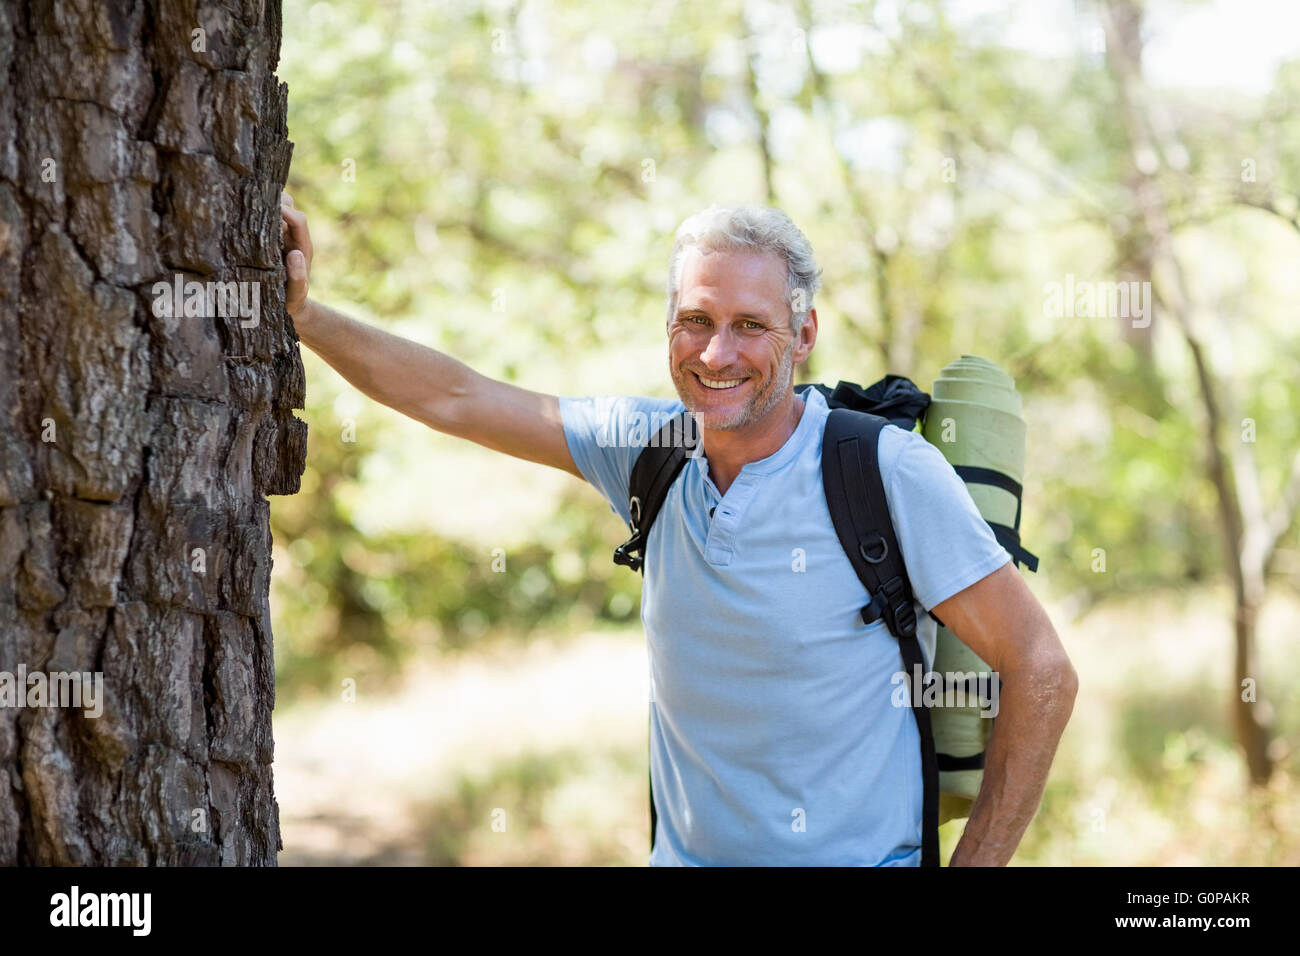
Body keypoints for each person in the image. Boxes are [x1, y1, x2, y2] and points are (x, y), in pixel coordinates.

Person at [280, 194, 1078, 866]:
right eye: (695, 319)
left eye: (749, 326)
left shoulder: (884, 472)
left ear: (802, 336)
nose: (716, 352)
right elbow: (455, 396)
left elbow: (1041, 668)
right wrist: (306, 315)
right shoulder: (649, 449)